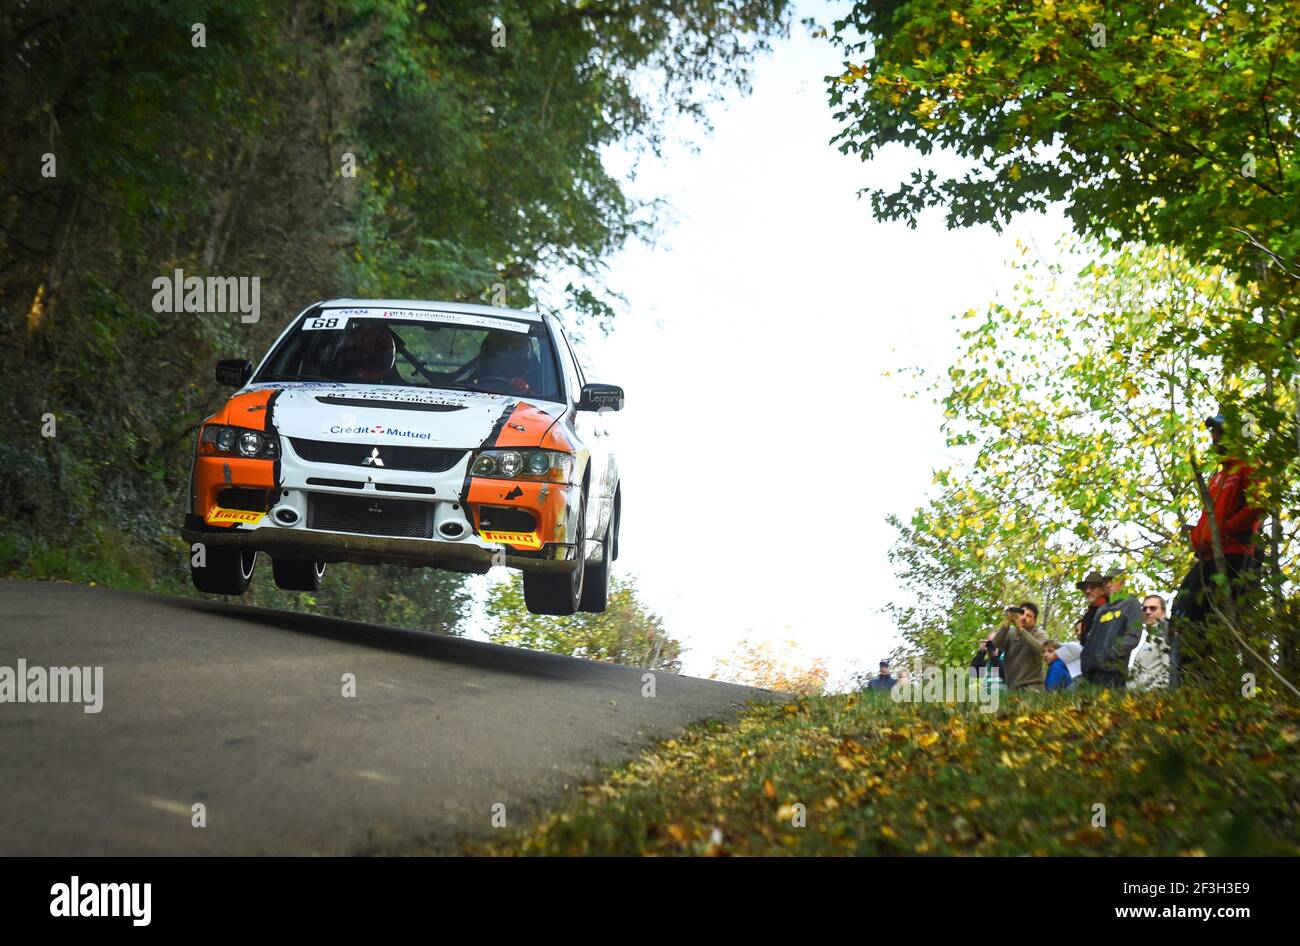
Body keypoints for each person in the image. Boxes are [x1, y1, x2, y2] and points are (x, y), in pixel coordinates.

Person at [1170, 414, 1262, 682]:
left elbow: (1256, 506)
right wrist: (1197, 537)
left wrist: (1225, 531)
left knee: (1219, 620)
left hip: (1235, 556)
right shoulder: (1219, 475)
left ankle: (1224, 685)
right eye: (1213, 432)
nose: (1214, 438)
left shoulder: (1248, 466)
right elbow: (1212, 518)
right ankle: (1191, 685)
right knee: (1183, 612)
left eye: (1219, 432)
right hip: (1209, 556)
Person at [1079, 569, 1143, 688]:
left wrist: (1110, 654)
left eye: (1112, 581)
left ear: (1122, 582)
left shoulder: (1133, 604)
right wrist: (1086, 658)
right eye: (1106, 582)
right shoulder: (1101, 610)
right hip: (1091, 674)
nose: (1108, 585)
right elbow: (1090, 639)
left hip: (1113, 674)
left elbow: (1134, 636)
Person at [990, 602, 1047, 691]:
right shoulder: (1010, 632)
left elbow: (1041, 650)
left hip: (1034, 685)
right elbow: (996, 644)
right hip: (1013, 687)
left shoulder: (1039, 634)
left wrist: (1021, 629)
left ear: (1034, 621)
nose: (1024, 617)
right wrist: (1006, 623)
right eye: (1022, 614)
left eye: (1029, 616)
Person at [1129, 594, 1172, 691]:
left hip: (1151, 699)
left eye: (1153, 608)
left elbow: (1170, 671)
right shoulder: (1148, 635)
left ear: (1164, 612)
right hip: (1136, 697)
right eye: (1144, 609)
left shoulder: (1164, 632)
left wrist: (1152, 695)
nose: (1148, 612)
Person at [474, 331, 539, 395]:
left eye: (510, 360)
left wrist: (525, 390)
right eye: (492, 356)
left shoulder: (527, 387)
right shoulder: (472, 380)